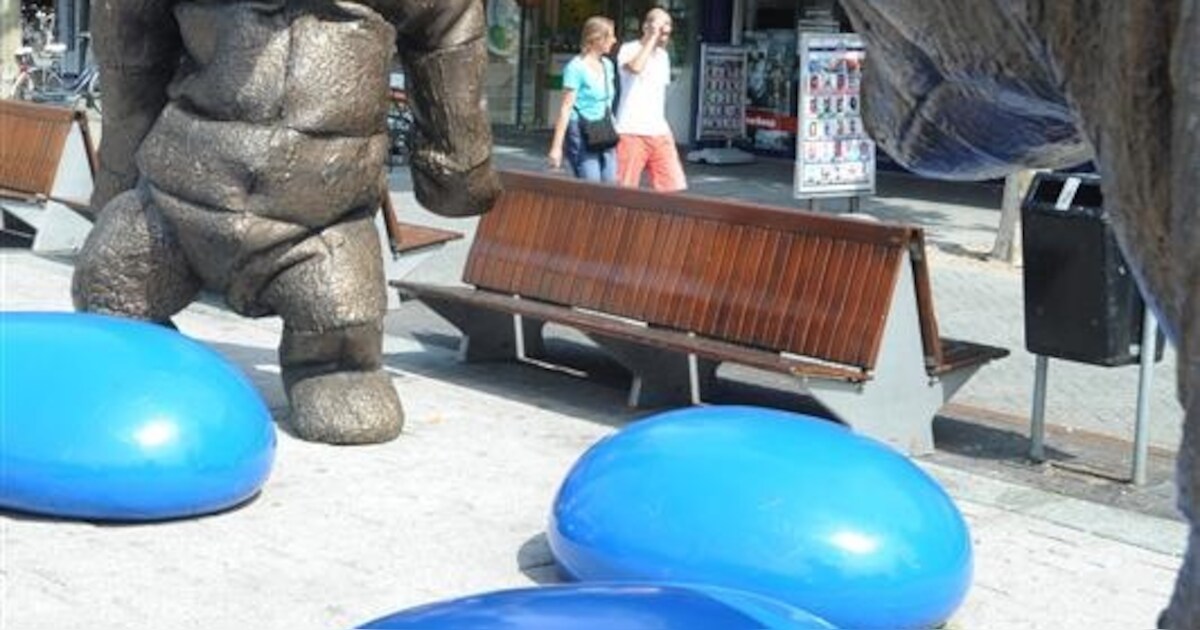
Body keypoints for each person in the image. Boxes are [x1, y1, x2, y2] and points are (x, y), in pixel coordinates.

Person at [613, 7, 687, 192]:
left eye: (667, 32)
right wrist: (652, 38)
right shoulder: (629, 49)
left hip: (659, 131)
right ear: (646, 26)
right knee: (625, 189)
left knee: (673, 187)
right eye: (661, 30)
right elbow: (635, 67)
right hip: (631, 130)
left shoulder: (663, 56)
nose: (664, 36)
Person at [547, 16, 618, 182]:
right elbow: (565, 108)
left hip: (605, 129)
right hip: (581, 130)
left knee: (611, 185)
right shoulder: (576, 68)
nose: (614, 40)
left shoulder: (608, 65)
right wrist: (556, 148)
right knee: (591, 184)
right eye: (611, 36)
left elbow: (608, 100)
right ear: (597, 39)